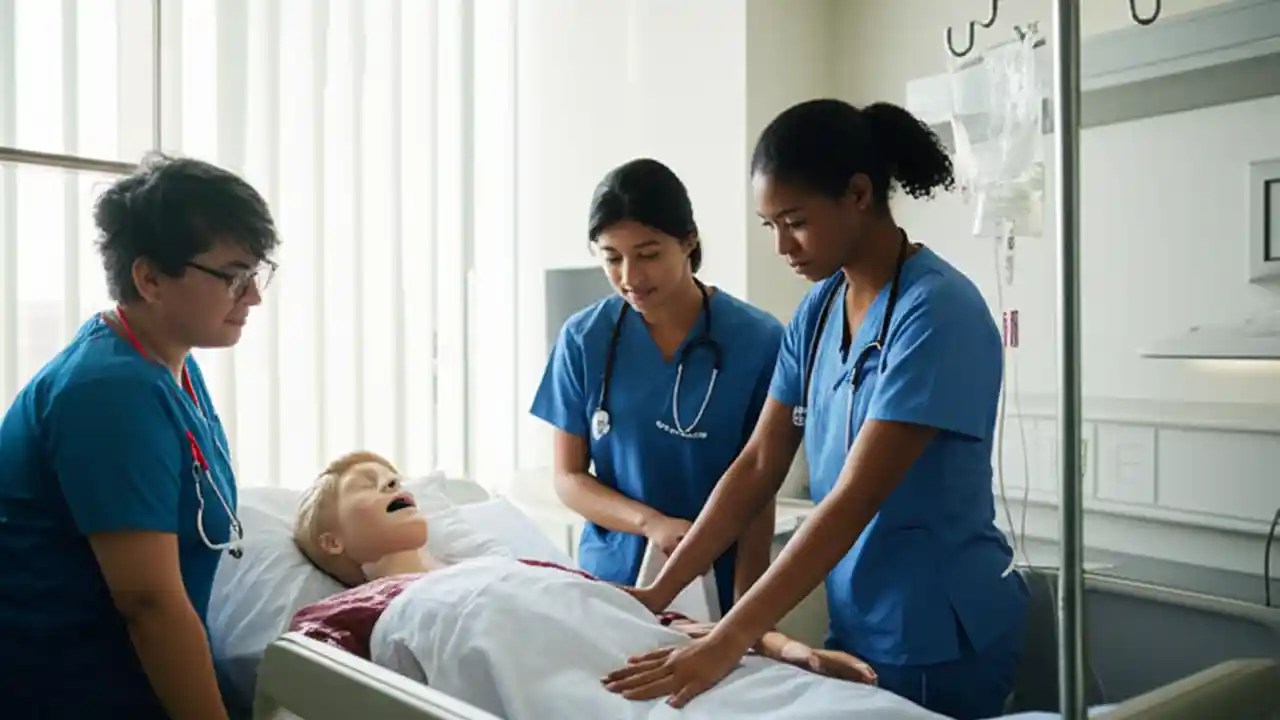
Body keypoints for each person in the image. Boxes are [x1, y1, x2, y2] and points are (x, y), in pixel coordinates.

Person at [605, 99, 1030, 720]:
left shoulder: (937, 313)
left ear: (859, 194)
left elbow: (856, 497)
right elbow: (756, 466)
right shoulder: (822, 307)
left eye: (795, 221)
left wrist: (730, 638)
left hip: (939, 633)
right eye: (768, 225)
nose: (781, 245)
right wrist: (657, 594)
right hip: (858, 621)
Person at [0, 154, 278, 720]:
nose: (253, 297)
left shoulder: (166, 363)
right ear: (149, 278)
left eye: (257, 273)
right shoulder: (108, 392)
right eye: (233, 276)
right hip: (71, 692)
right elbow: (150, 605)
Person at [289, 451, 883, 697]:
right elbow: (311, 685)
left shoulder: (525, 570)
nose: (393, 483)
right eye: (366, 486)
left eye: (392, 475)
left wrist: (789, 650)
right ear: (332, 541)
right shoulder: (352, 611)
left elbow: (658, 624)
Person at [529, 158, 785, 617]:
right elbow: (568, 477)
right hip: (612, 582)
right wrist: (650, 524)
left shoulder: (758, 340)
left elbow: (758, 491)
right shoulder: (585, 339)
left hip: (718, 584)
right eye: (612, 257)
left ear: (688, 242)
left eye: (648, 254)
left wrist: (747, 615)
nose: (630, 276)